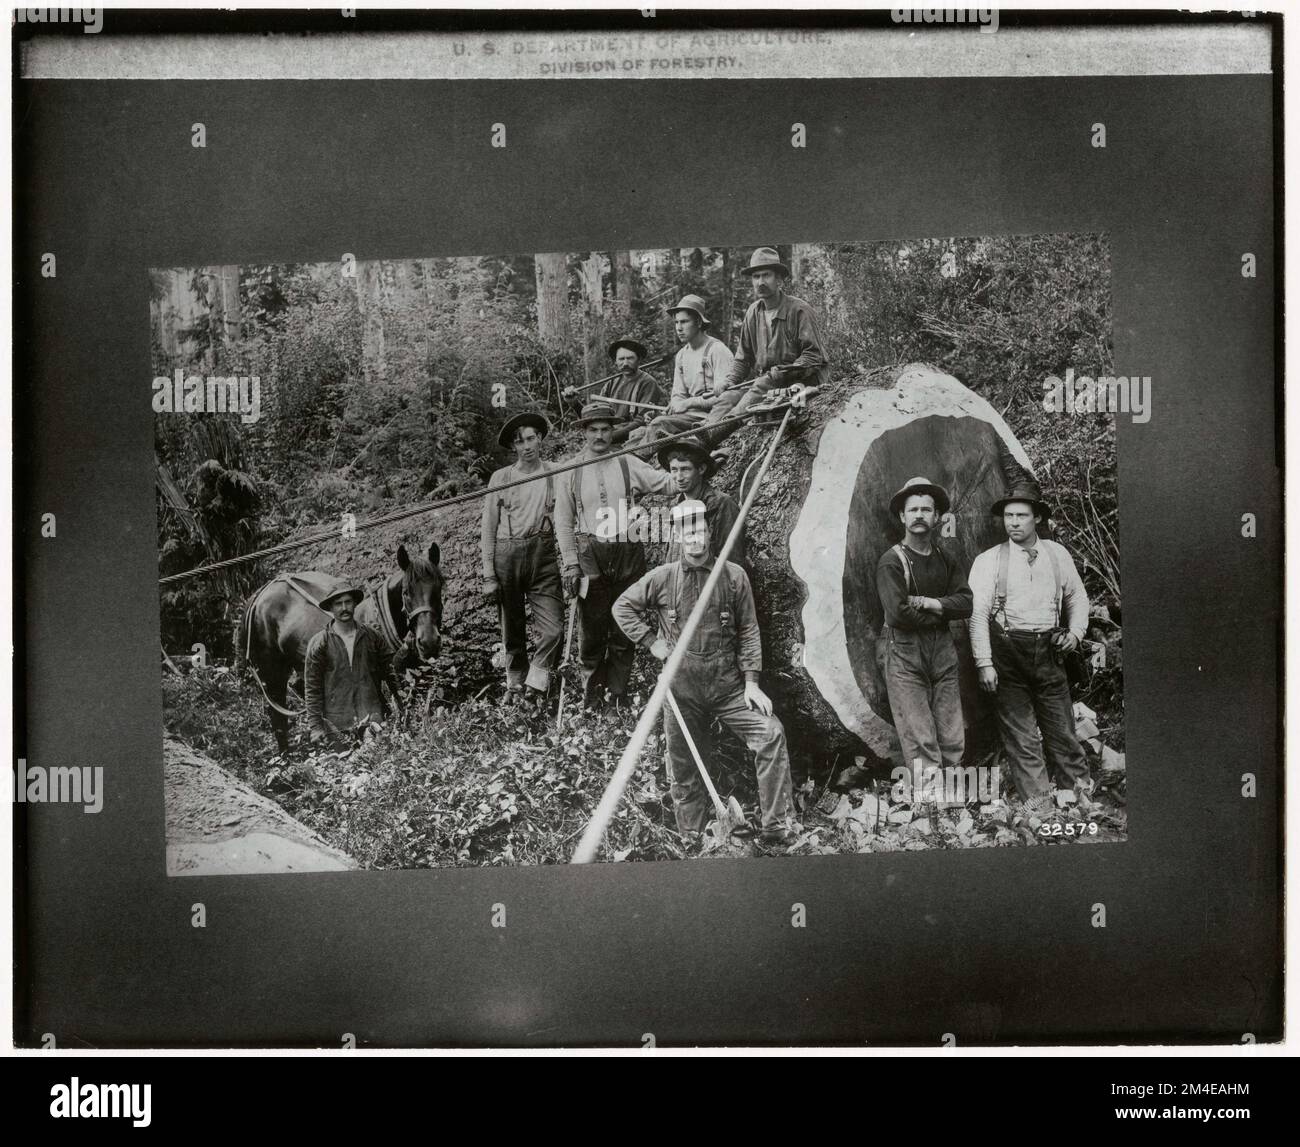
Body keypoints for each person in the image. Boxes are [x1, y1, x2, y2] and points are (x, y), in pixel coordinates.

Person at [613, 501, 797, 848]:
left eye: (699, 529)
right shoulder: (663, 577)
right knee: (682, 767)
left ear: (709, 532)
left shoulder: (733, 576)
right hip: (681, 690)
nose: (694, 537)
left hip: (728, 688)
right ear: (678, 535)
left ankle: (777, 827)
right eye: (686, 530)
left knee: (771, 733)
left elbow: (749, 630)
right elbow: (622, 606)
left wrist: (752, 682)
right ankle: (693, 839)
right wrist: (651, 641)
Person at [967, 483, 1093, 823]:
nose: (1014, 523)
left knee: (1063, 732)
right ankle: (1042, 813)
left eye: (1022, 515)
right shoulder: (988, 560)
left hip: (1051, 652)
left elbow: (1077, 598)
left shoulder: (1057, 554)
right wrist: (984, 663)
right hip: (1008, 654)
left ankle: (1080, 801)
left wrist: (1076, 634)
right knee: (1022, 738)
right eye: (1008, 516)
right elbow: (977, 615)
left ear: (1037, 518)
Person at [554, 402, 675, 709]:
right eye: (593, 430)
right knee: (592, 629)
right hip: (589, 553)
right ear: (584, 433)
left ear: (612, 431)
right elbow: (563, 522)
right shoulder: (570, 471)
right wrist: (569, 563)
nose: (599, 436)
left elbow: (663, 483)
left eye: (605, 429)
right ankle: (592, 695)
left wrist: (695, 471)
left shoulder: (627, 462)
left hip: (627, 550)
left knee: (624, 625)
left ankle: (616, 696)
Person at [875, 477, 972, 804]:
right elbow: (899, 613)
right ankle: (933, 807)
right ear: (901, 517)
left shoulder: (947, 559)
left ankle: (956, 802)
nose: (919, 515)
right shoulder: (892, 560)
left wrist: (933, 604)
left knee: (951, 730)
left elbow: (966, 602)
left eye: (926, 509)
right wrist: (945, 611)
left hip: (942, 652)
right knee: (919, 734)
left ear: (937, 517)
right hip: (904, 653)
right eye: (912, 509)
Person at [701, 246, 830, 443]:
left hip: (799, 383)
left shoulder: (799, 310)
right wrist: (729, 381)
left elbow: (813, 357)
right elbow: (743, 359)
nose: (760, 282)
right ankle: (704, 430)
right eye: (756, 276)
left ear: (779, 280)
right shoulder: (754, 312)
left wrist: (781, 373)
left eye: (766, 275)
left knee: (761, 384)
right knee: (729, 397)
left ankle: (716, 432)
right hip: (766, 384)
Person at [479, 411, 564, 700]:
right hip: (507, 555)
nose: (526, 446)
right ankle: (515, 687)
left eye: (531, 439)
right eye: (519, 442)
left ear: (540, 439)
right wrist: (489, 575)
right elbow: (488, 528)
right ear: (513, 447)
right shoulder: (501, 478)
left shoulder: (556, 472)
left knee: (553, 629)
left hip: (543, 556)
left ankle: (535, 685)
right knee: (512, 630)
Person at [629, 295, 734, 452]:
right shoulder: (682, 355)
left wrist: (687, 403)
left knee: (659, 424)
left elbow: (725, 396)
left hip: (710, 417)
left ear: (699, 322)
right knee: (637, 433)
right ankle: (629, 463)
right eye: (676, 322)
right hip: (688, 416)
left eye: (684, 322)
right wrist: (675, 405)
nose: (679, 328)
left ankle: (636, 465)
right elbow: (678, 395)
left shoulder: (717, 350)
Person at [304, 580, 402, 744]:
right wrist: (316, 727)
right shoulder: (320, 643)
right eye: (338, 604)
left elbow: (392, 675)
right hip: (337, 724)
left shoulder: (373, 636)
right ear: (331, 608)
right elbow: (312, 688)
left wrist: (401, 710)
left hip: (373, 719)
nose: (344, 608)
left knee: (378, 764)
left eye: (348, 602)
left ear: (355, 604)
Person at [658, 438, 744, 566]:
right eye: (674, 470)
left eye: (686, 469)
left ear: (701, 469)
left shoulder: (722, 504)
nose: (679, 477)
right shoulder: (676, 507)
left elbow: (733, 561)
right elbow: (671, 557)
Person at [563, 337, 665, 444]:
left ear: (639, 359)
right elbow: (597, 416)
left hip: (634, 438)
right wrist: (574, 403)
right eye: (621, 359)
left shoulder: (648, 382)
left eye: (630, 358)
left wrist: (611, 437)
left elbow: (641, 421)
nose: (625, 363)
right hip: (607, 436)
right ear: (615, 361)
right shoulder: (611, 383)